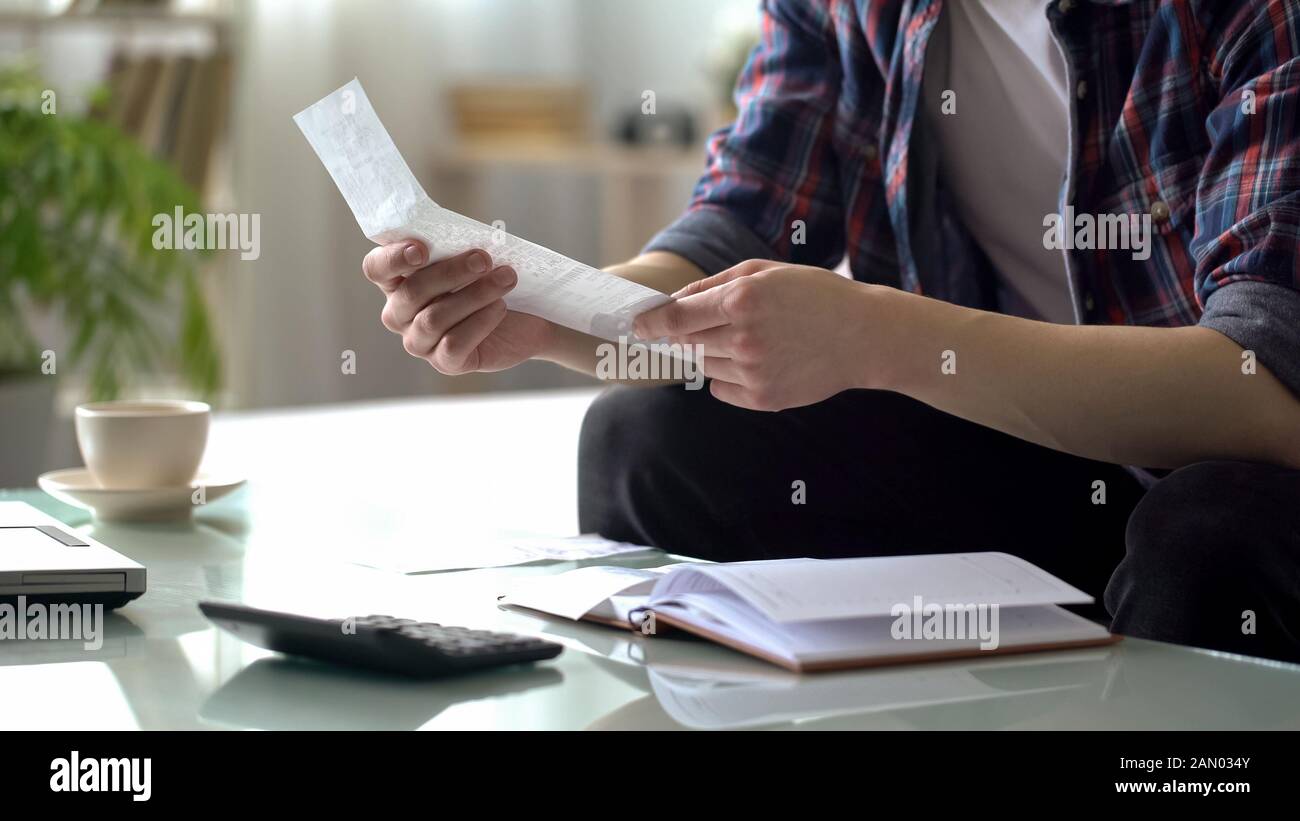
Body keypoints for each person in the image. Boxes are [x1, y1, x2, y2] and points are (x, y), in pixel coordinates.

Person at [360, 0, 1300, 662]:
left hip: (1245, 465)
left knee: (1202, 537)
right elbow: (725, 235)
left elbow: (1266, 388)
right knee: (647, 442)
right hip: (1043, 472)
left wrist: (881, 337)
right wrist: (537, 308)